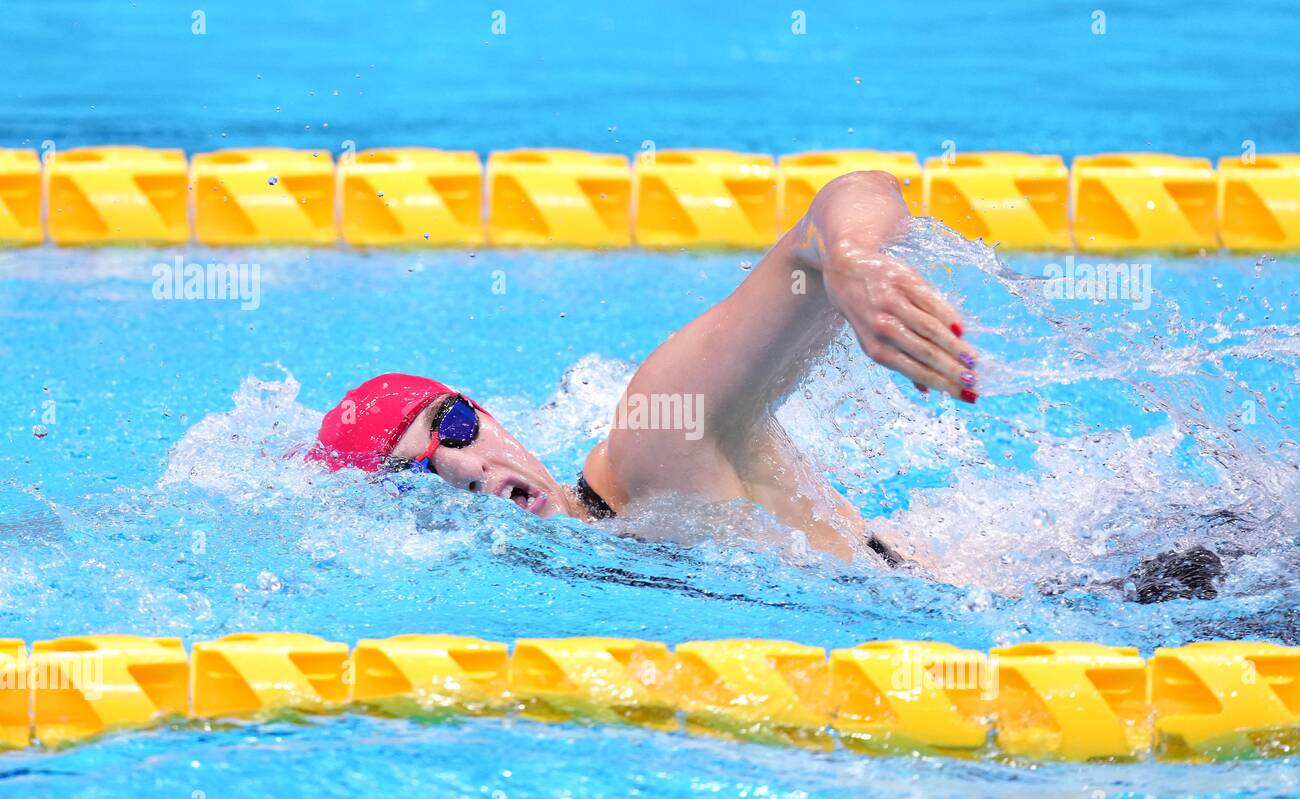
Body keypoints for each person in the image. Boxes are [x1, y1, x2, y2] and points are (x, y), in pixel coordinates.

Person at [305, 171, 1221, 601]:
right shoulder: (600, 562)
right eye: (417, 475)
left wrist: (852, 262)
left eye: (453, 424)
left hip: (1151, 585)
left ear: (491, 414)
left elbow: (840, 204)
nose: (463, 469)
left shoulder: (652, 448)